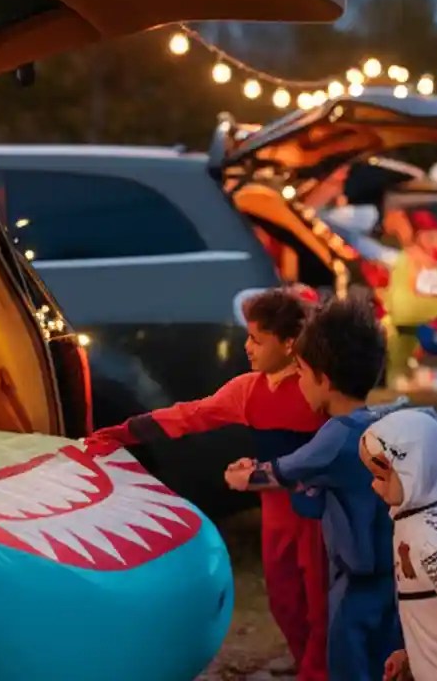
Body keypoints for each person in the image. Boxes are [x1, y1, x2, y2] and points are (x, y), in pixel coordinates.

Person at [84, 287, 329, 681]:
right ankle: (307, 661)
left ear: (288, 343)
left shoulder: (317, 387)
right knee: (285, 600)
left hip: (320, 514)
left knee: (321, 601)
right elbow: (190, 415)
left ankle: (319, 670)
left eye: (257, 339)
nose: (247, 347)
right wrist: (121, 433)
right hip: (277, 513)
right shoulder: (249, 390)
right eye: (248, 336)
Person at [223, 294, 402, 681]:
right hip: (391, 571)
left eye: (302, 372)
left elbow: (284, 471)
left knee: (346, 658)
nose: (298, 381)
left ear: (323, 378)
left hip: (355, 574)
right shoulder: (384, 421)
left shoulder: (336, 434)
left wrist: (242, 475)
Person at [358, 408, 437, 681]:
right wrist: (410, 654)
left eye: (381, 477)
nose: (374, 487)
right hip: (429, 658)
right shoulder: (413, 520)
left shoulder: (432, 533)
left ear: (414, 472)